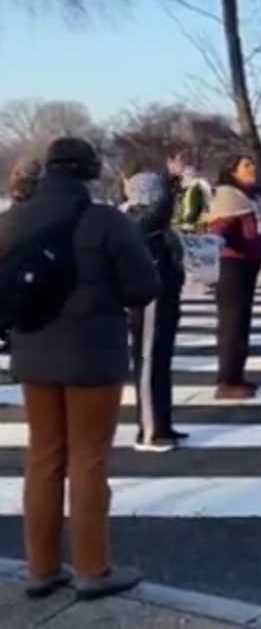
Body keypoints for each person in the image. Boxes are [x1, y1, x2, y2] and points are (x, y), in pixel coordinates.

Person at [1, 137, 158, 600]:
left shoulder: (13, 220)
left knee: (44, 457)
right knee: (89, 459)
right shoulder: (106, 221)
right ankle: (93, 568)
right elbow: (142, 288)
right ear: (89, 172)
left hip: (33, 349)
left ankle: (42, 568)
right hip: (93, 353)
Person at [121, 161, 188, 452]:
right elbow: (161, 213)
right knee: (149, 365)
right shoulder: (137, 219)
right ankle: (149, 430)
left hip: (165, 296)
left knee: (161, 363)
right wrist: (172, 182)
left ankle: (162, 422)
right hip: (148, 301)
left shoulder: (151, 224)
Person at [207, 154, 261, 400]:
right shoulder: (227, 196)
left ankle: (237, 375)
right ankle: (226, 380)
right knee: (232, 322)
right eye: (246, 165)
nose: (252, 168)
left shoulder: (251, 197)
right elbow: (219, 230)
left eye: (252, 163)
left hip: (248, 263)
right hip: (232, 263)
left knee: (242, 321)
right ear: (232, 172)